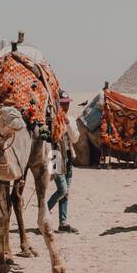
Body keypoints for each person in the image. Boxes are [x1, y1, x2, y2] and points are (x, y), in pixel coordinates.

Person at [47, 90, 77, 233]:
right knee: (62, 189)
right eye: (63, 104)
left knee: (66, 192)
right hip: (56, 156)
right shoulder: (51, 121)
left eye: (67, 104)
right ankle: (44, 212)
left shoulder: (70, 119)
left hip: (69, 157)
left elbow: (75, 138)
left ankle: (63, 223)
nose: (65, 107)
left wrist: (68, 124)